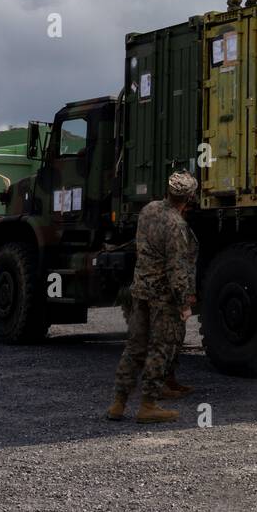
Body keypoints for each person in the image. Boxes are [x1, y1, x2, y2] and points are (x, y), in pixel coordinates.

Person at [106, 172, 198, 423]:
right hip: (163, 297)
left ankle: (118, 403)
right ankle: (148, 404)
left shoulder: (148, 210)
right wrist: (184, 303)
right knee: (161, 348)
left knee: (134, 347)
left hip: (141, 291)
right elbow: (177, 268)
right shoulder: (176, 225)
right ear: (189, 197)